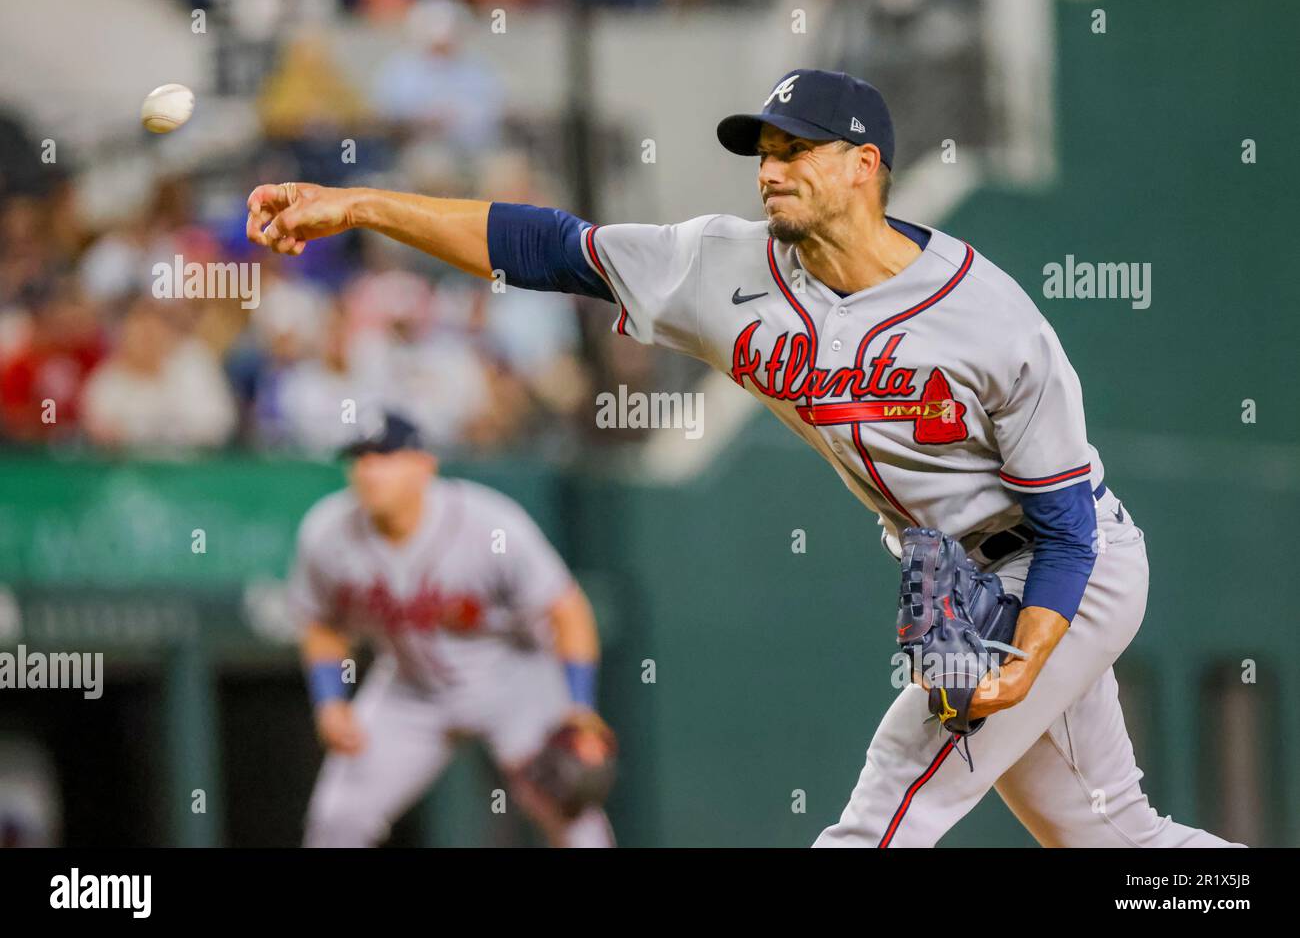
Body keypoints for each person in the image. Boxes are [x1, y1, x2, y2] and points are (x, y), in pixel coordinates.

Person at [248, 69, 1238, 847]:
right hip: (951, 572)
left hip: (1066, 569)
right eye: (763, 152)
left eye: (796, 150)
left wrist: (1026, 661)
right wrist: (361, 204)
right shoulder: (721, 265)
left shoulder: (991, 317)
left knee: (887, 805)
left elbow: (1067, 529)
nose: (770, 170)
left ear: (865, 165)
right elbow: (546, 245)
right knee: (1112, 836)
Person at [289, 412, 614, 847]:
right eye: (359, 459)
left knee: (573, 814)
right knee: (337, 819)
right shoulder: (327, 533)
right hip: (411, 687)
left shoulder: (489, 525)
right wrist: (330, 701)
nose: (369, 471)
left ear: (424, 465)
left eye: (384, 456)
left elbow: (567, 609)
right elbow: (322, 621)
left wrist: (578, 706)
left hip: (512, 680)